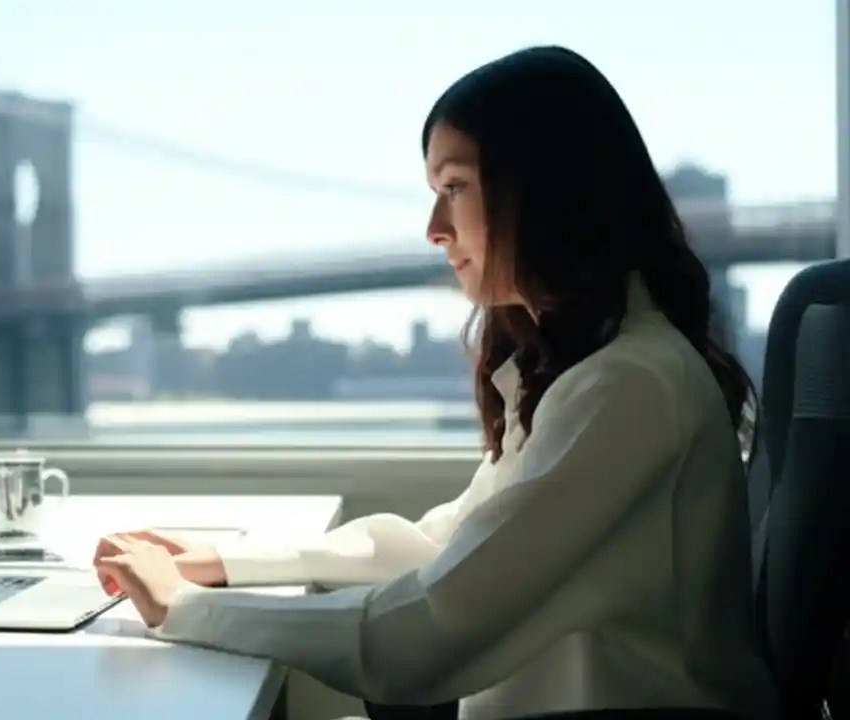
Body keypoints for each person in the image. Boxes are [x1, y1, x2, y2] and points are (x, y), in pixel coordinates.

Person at [92, 45, 778, 720]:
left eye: (454, 188)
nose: (434, 230)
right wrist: (224, 562)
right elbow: (446, 545)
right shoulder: (586, 369)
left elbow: (427, 631)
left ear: (542, 189)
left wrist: (183, 608)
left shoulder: (627, 388)